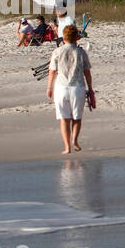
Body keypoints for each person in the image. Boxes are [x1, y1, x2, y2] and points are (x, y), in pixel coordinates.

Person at [46, 24, 94, 154]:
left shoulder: (57, 51)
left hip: (61, 88)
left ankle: (67, 147)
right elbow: (87, 72)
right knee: (76, 118)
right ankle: (75, 141)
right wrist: (91, 89)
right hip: (78, 87)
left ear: (64, 37)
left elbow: (52, 72)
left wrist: (49, 87)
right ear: (76, 38)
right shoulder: (81, 52)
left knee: (64, 118)